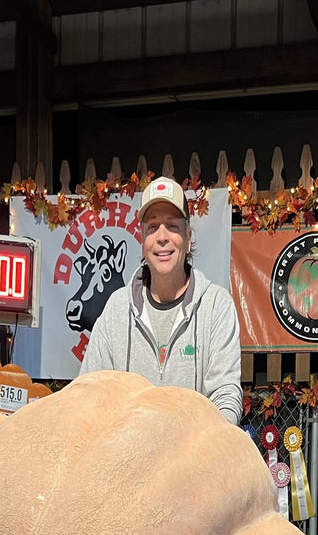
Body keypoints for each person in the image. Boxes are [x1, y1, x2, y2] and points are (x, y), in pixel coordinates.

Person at [80, 176, 243, 424]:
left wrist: (209, 450)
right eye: (153, 226)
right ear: (143, 240)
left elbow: (225, 396)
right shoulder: (116, 309)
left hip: (192, 455)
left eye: (172, 226)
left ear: (188, 239)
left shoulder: (216, 306)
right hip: (126, 455)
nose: (162, 237)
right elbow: (89, 391)